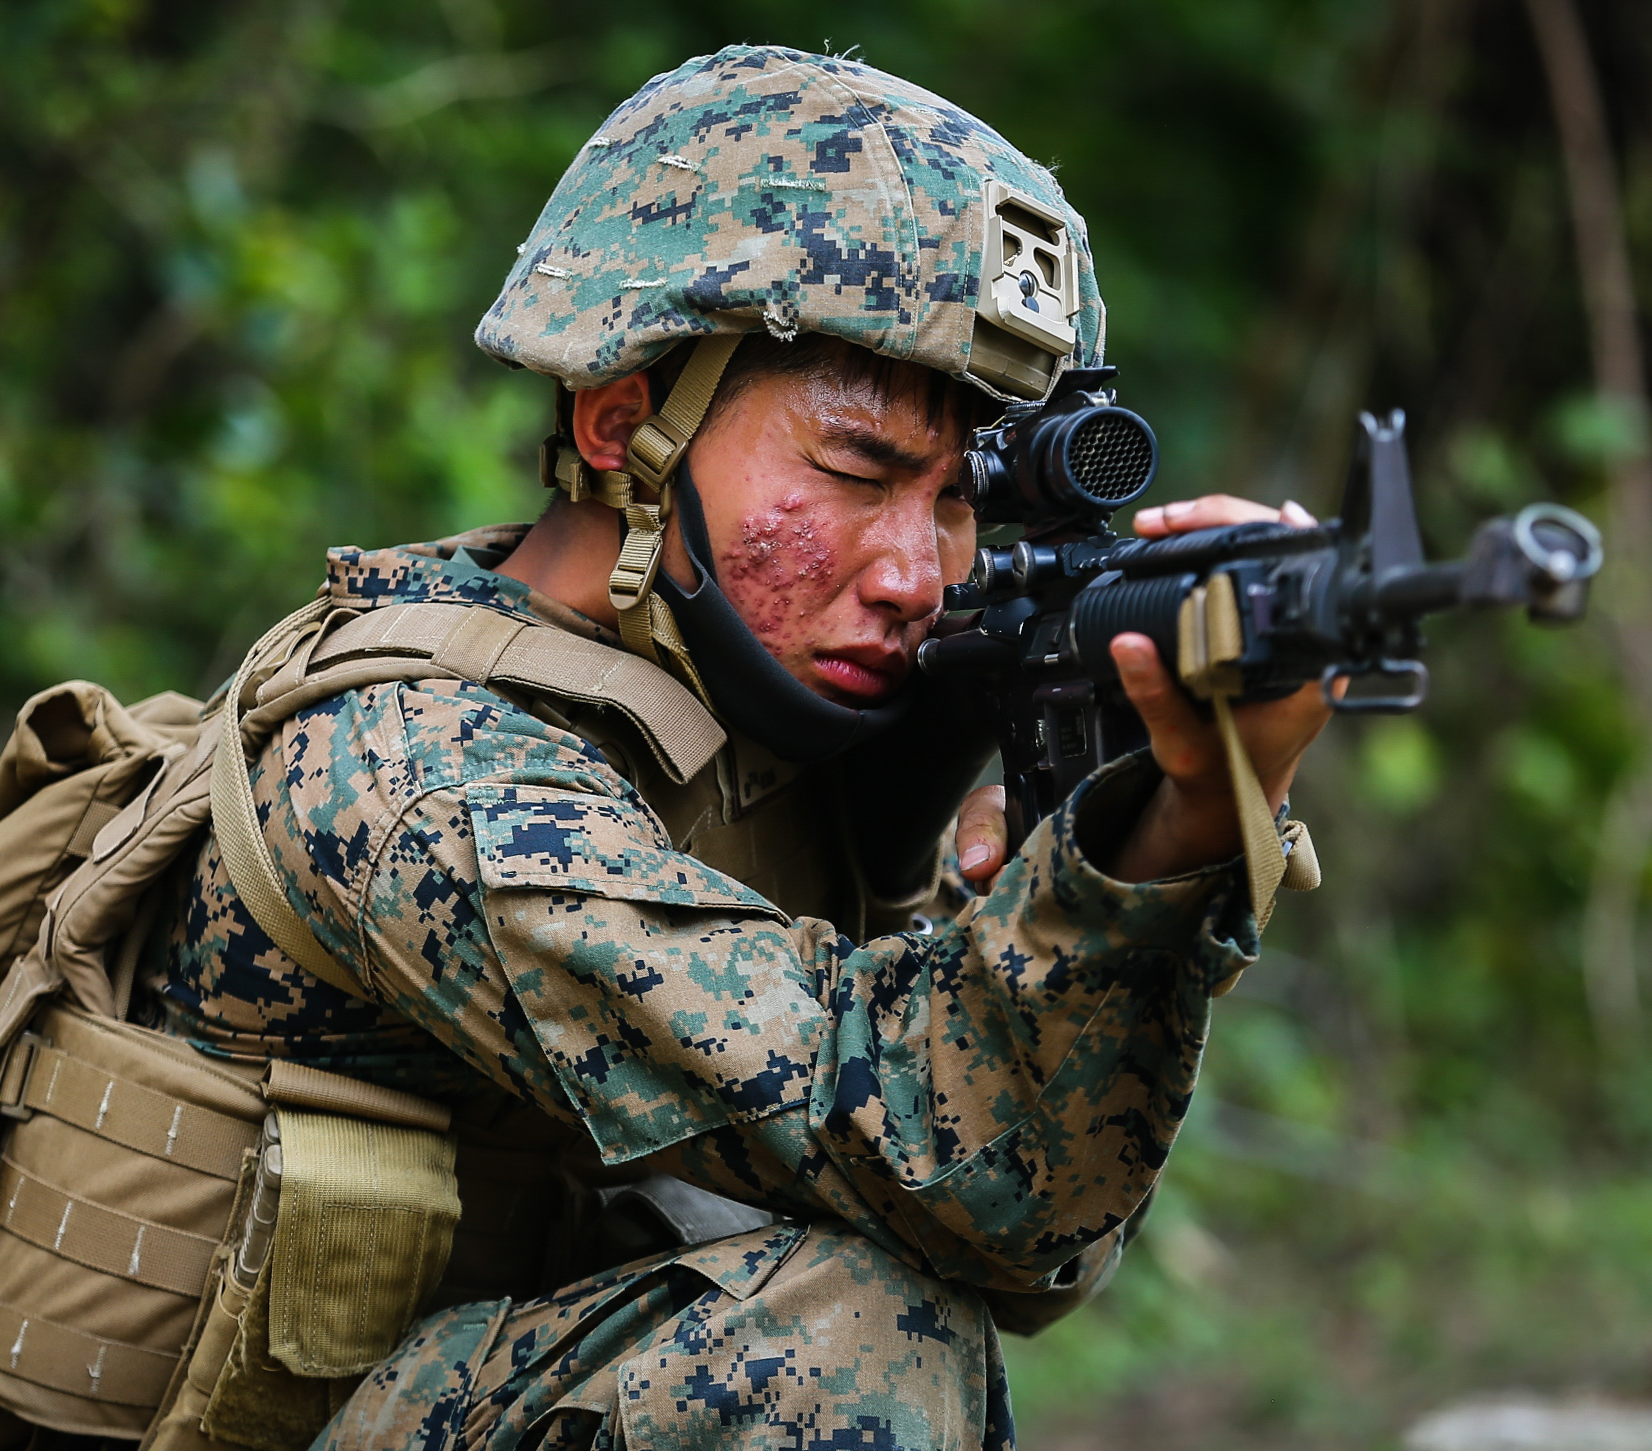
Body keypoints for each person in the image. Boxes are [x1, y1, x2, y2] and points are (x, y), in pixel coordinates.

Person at [133, 43, 1332, 1451]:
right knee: (843, 1342)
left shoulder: (755, 741)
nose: (919, 570)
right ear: (624, 422)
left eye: (960, 500)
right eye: (855, 472)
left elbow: (1041, 1255)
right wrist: (1175, 838)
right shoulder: (411, 769)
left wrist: (1161, 816)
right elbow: (965, 1174)